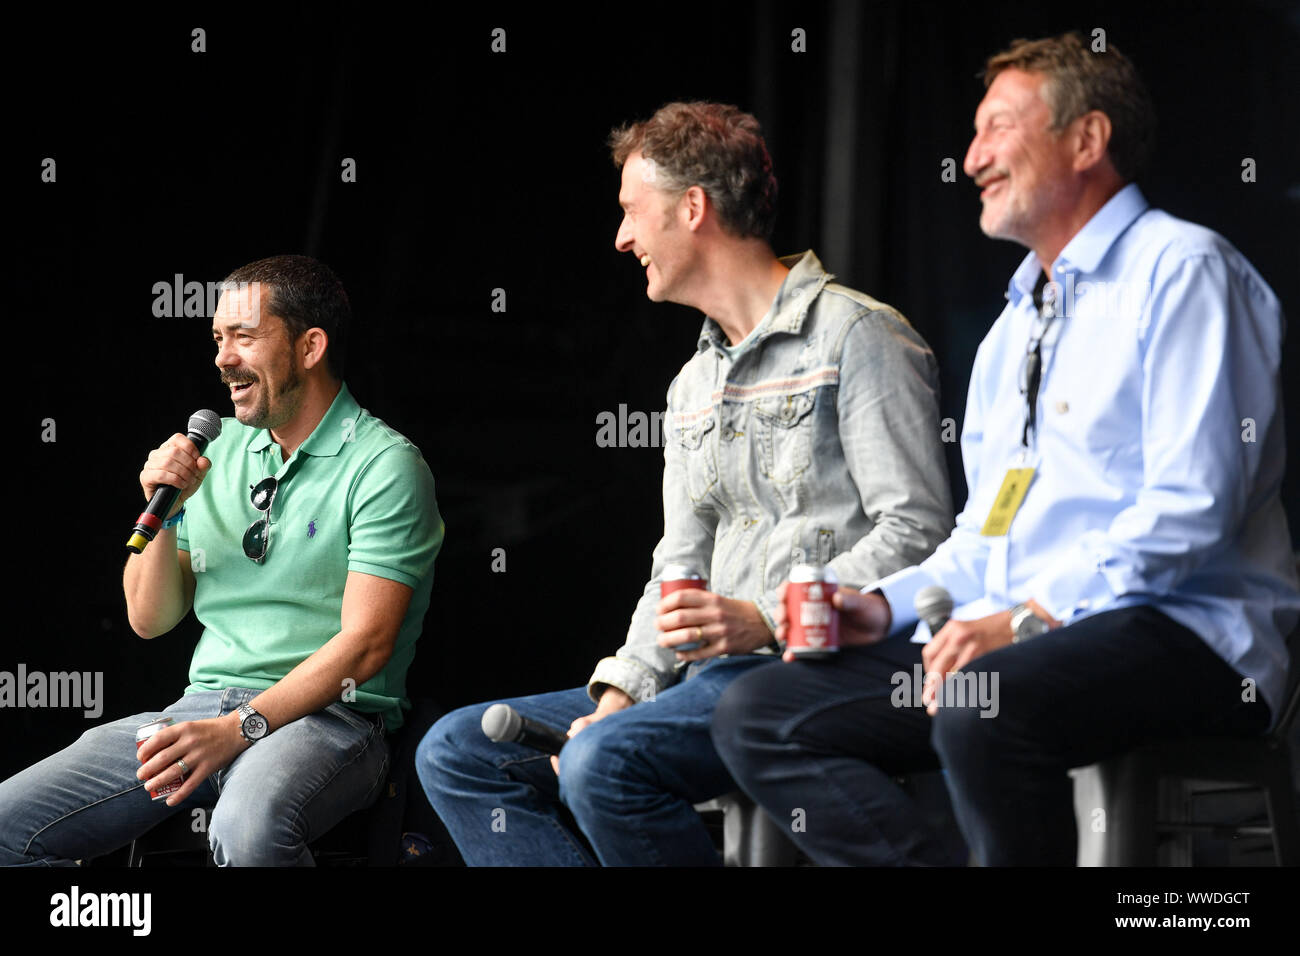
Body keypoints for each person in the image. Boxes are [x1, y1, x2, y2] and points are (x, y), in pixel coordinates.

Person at [712, 32, 1300, 866]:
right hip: (1025, 644)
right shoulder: (1013, 326)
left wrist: (1025, 622)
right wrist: (877, 608)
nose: (972, 156)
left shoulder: (1182, 269)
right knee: (760, 710)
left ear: (1087, 140)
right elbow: (985, 543)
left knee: (984, 704)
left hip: (1189, 634)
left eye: (997, 129)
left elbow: (1192, 510)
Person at [416, 101, 953, 866]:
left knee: (607, 763)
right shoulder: (691, 384)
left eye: (633, 212)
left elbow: (919, 535)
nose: (622, 237)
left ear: (693, 208)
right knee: (456, 752)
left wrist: (767, 618)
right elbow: (678, 567)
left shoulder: (859, 335)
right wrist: (620, 693)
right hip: (702, 683)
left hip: (808, 673)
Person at [0, 255, 444, 866]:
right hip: (199, 711)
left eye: (244, 336)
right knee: (6, 825)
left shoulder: (384, 464)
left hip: (332, 721)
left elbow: (366, 645)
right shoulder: (215, 448)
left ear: (310, 346)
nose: (222, 357)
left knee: (249, 831)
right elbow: (150, 619)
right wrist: (169, 512)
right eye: (217, 338)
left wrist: (239, 730)